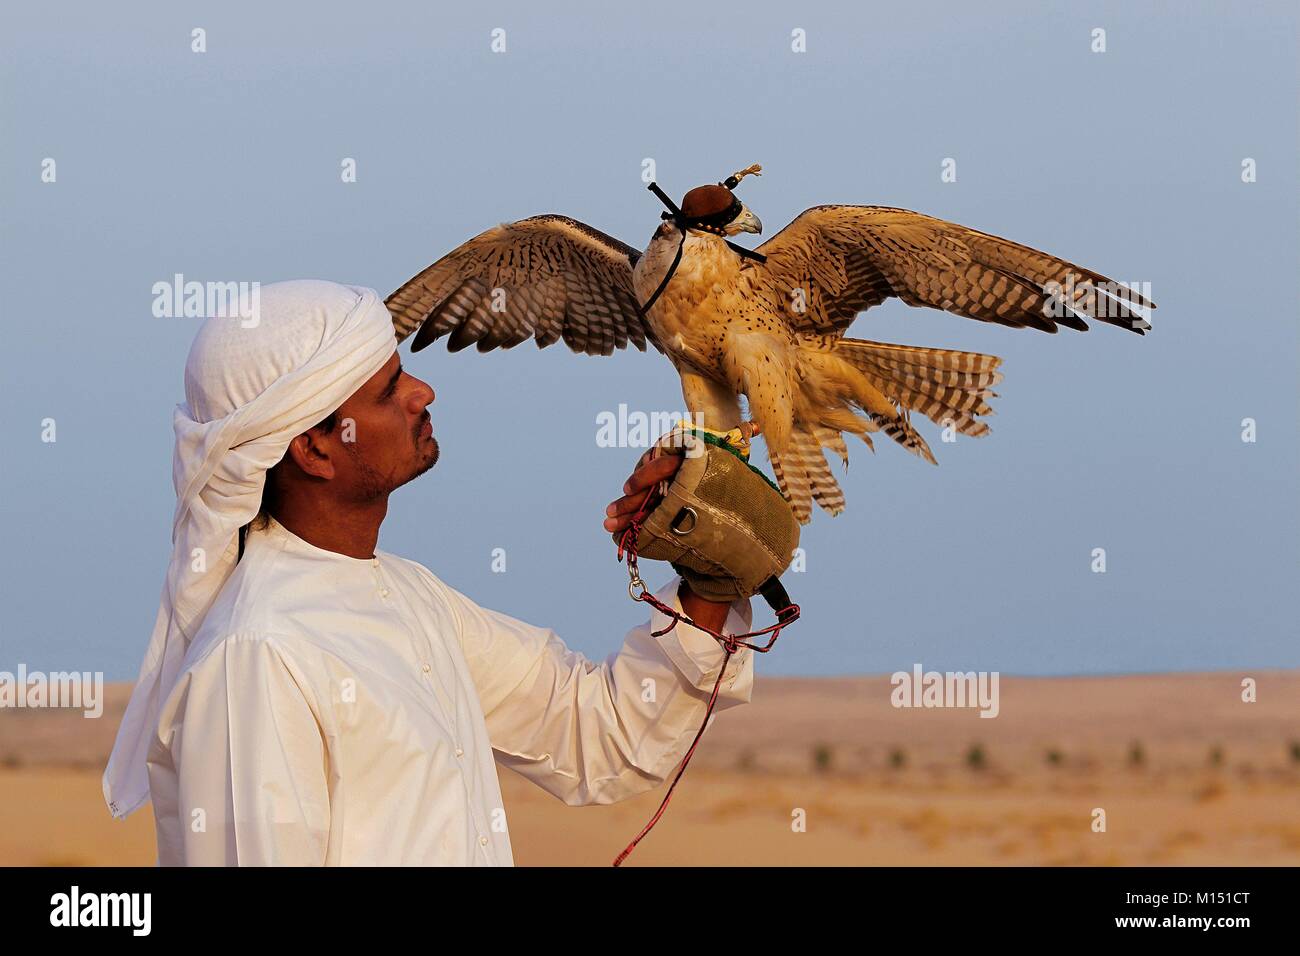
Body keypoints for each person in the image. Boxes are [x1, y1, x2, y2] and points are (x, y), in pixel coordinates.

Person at [102, 279, 756, 865]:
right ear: (314, 448)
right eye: (388, 391)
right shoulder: (257, 655)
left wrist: (707, 571)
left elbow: (600, 733)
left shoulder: (412, 598)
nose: (423, 392)